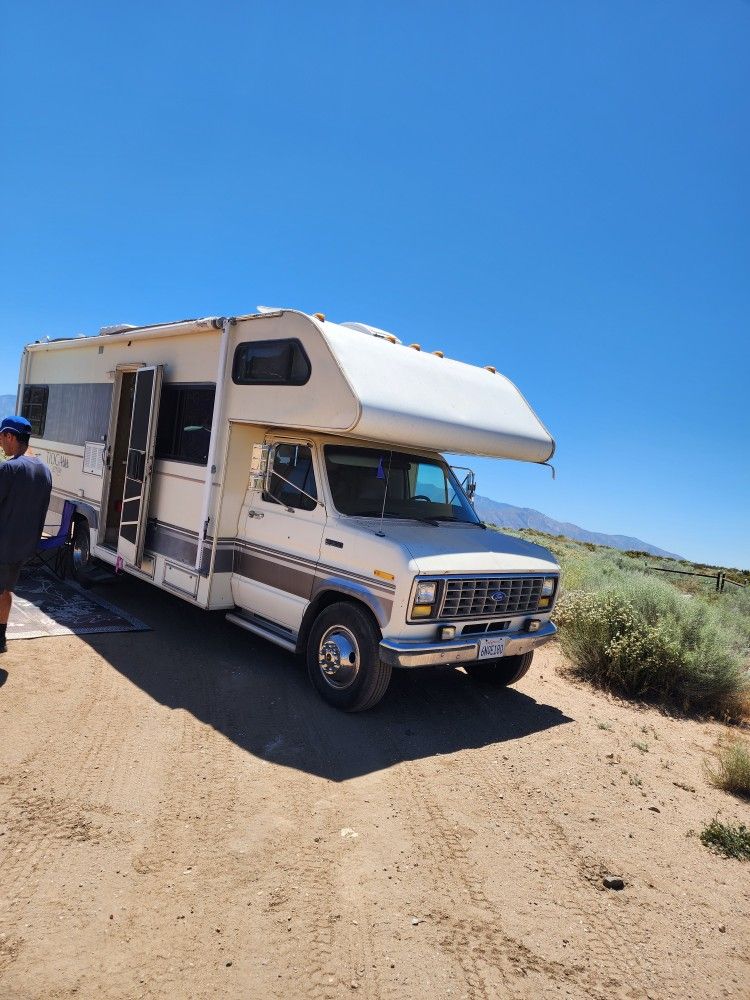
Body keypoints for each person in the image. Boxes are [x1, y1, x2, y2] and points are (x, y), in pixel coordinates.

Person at [0, 415, 53, 653]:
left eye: (1, 438)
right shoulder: (45, 470)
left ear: (10, 436)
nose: (1, 445)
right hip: (22, 547)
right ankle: (0, 639)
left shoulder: (9, 469)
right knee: (4, 590)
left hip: (2, 543)